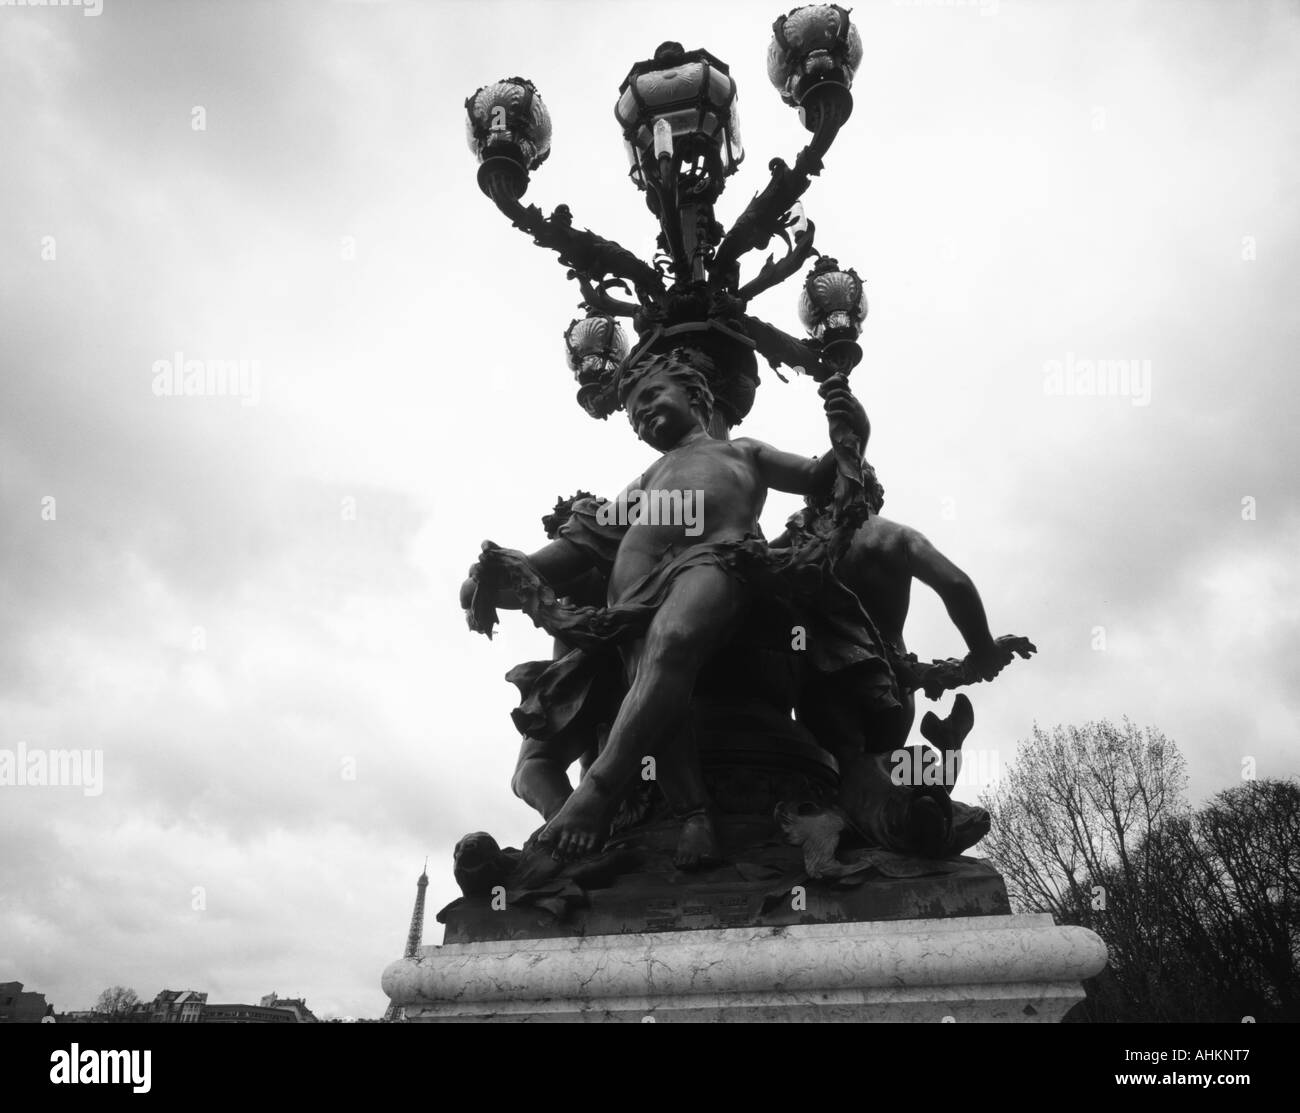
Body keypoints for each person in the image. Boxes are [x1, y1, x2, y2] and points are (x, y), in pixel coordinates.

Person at [465, 348, 874, 865]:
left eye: (653, 396)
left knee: (674, 645)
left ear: (697, 396)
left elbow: (818, 476)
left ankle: (597, 792)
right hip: (631, 592)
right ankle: (694, 814)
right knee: (651, 693)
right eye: (634, 414)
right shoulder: (645, 480)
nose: (643, 414)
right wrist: (499, 571)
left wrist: (853, 426)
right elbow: (575, 548)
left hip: (715, 559)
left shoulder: (743, 452)